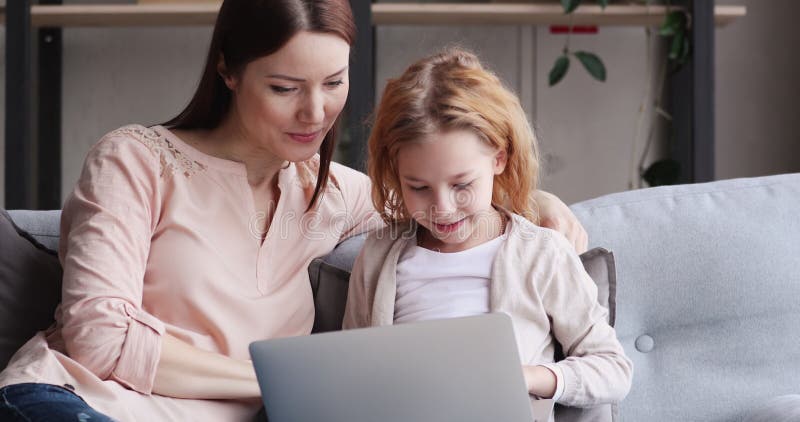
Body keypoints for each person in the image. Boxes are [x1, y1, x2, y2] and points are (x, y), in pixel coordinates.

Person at [0, 1, 588, 421]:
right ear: (228, 71)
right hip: (74, 401)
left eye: (333, 82)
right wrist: (285, 379)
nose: (315, 112)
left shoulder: (333, 194)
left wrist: (532, 197)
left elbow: (435, 197)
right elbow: (98, 338)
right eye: (284, 88)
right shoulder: (134, 160)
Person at [343, 48, 633, 408]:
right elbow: (348, 371)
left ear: (499, 157)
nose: (442, 208)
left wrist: (530, 376)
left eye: (462, 184)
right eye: (418, 187)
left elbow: (613, 369)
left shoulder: (541, 253)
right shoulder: (378, 255)